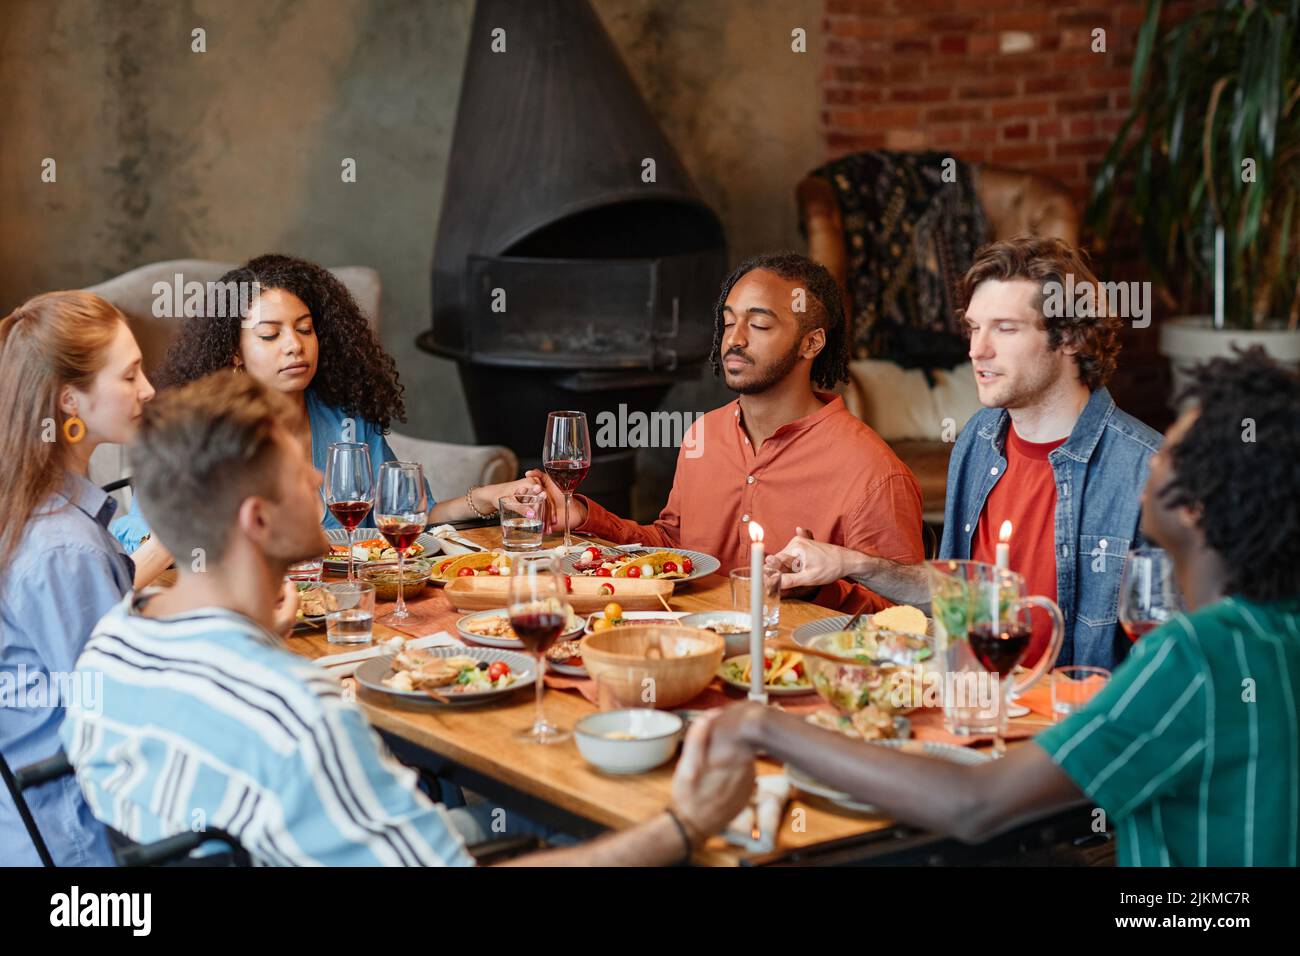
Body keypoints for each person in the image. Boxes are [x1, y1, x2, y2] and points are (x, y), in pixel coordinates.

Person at [62, 372, 754, 866]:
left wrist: (259, 633)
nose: (319, 483)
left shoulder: (112, 646)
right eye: (296, 472)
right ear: (257, 518)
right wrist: (681, 827)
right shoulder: (299, 717)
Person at [707, 348, 1300, 866]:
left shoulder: (1196, 653)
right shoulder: (1278, 629)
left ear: (1194, 507)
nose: (1154, 455)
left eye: (1172, 449)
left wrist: (763, 724)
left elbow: (973, 805)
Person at [769, 237, 1162, 669]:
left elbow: (1176, 661)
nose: (978, 349)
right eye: (974, 328)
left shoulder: (1146, 471)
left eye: (1005, 328)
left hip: (1069, 726)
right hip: (974, 703)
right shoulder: (978, 439)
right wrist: (849, 562)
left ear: (1069, 337)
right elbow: (955, 594)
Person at [529, 252, 925, 615]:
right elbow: (673, 548)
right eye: (729, 321)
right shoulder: (704, 434)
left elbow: (904, 621)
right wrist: (584, 517)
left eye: (759, 324)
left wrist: (817, 591)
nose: (734, 340)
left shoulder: (873, 473)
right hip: (690, 649)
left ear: (812, 343)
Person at [112, 254, 541, 585]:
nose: (295, 346)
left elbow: (409, 518)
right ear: (235, 354)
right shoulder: (205, 437)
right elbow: (144, 541)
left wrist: (484, 499)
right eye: (270, 334)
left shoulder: (349, 422)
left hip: (348, 605)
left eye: (304, 328)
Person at [0, 291, 157, 866]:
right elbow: (125, 716)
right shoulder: (64, 547)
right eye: (131, 375)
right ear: (71, 400)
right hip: (81, 845)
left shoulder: (37, 513)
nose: (148, 391)